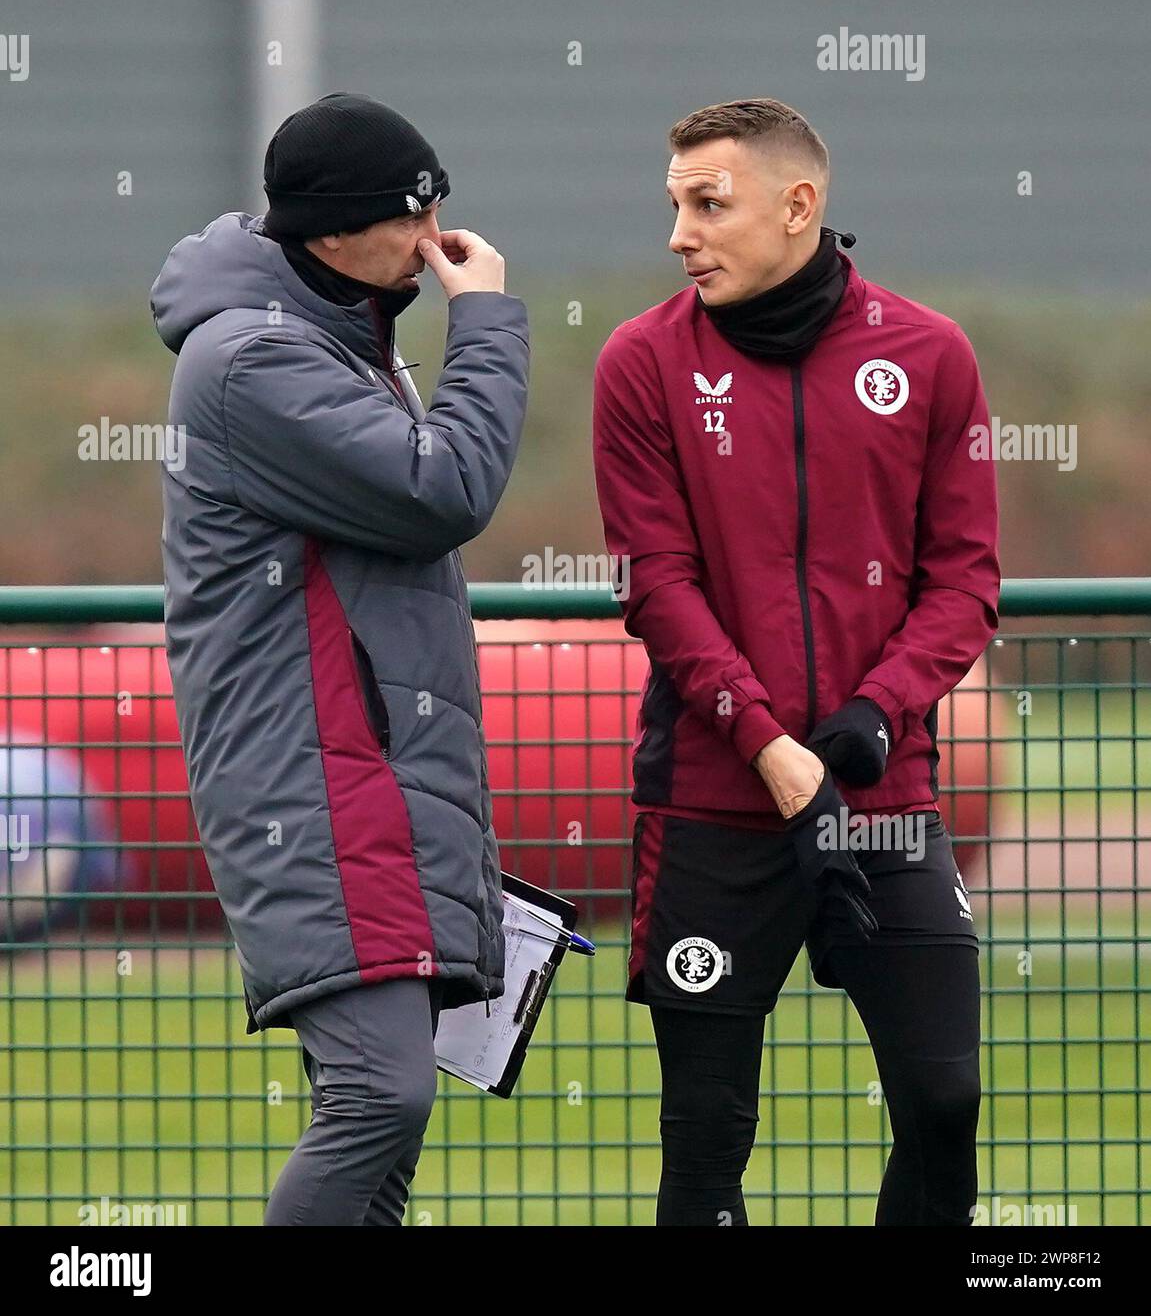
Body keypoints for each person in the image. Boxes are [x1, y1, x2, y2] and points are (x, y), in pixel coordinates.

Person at [592, 98, 999, 1226]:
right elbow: (655, 585)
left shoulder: (927, 354)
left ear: (797, 206)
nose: (679, 233)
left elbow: (963, 578)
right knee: (707, 1134)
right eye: (674, 203)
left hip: (881, 802)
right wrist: (767, 743)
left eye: (707, 204)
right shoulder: (638, 362)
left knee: (942, 1095)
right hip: (714, 807)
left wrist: (877, 711)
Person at [150, 92, 529, 1225]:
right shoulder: (251, 363)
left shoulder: (332, 338)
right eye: (413, 215)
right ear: (331, 232)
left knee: (384, 1136)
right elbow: (444, 489)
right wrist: (490, 325)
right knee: (380, 1096)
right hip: (310, 781)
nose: (433, 238)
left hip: (371, 774)